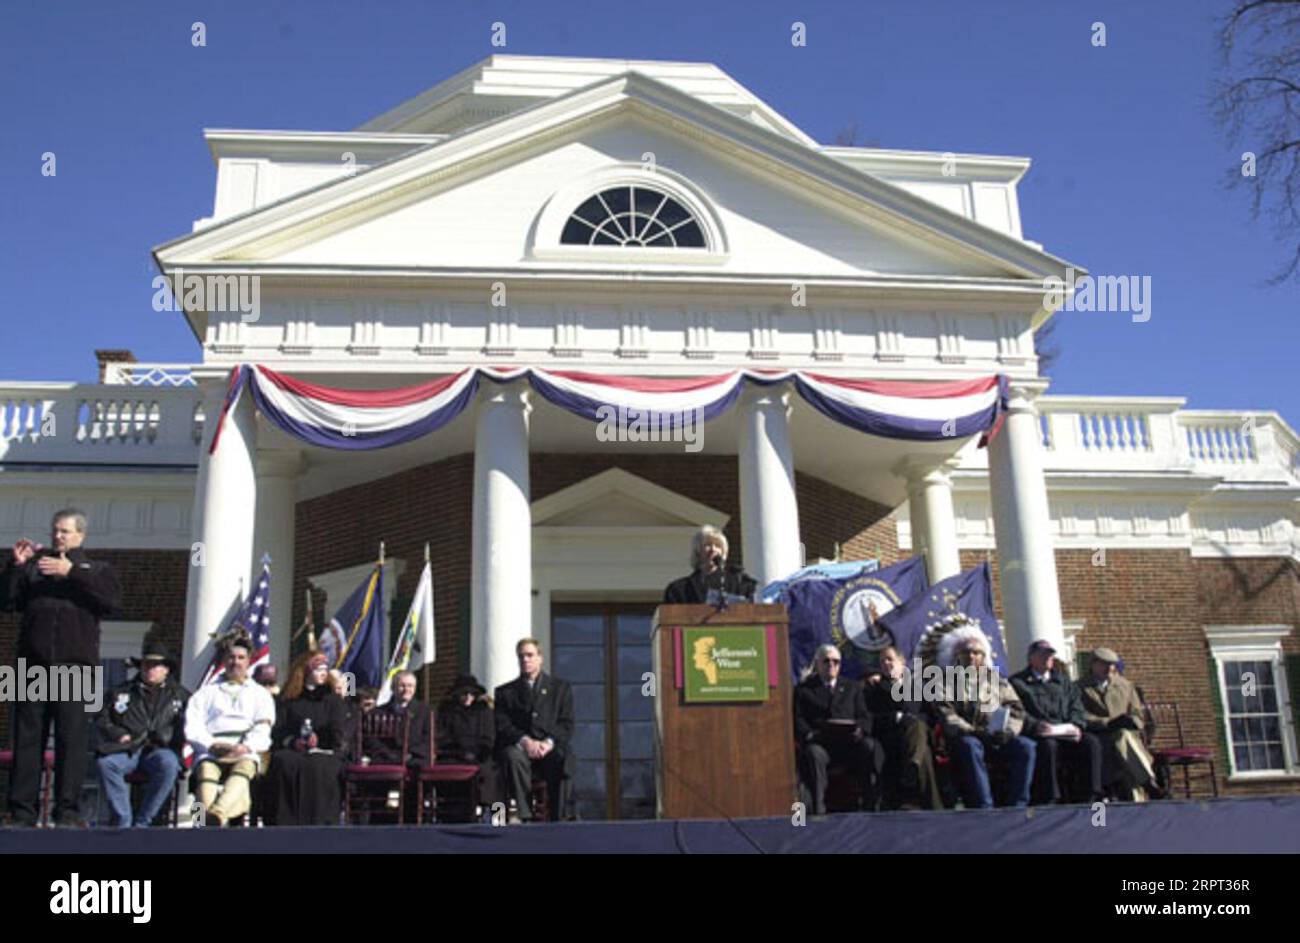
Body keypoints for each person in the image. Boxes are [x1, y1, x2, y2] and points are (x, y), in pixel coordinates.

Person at [2, 509, 121, 827]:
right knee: (26, 741)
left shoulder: (96, 570)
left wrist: (72, 572)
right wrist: (15, 566)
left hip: (76, 669)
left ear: (81, 535)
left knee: (72, 739)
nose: (59, 536)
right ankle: (21, 812)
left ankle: (67, 812)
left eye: (66, 531)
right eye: (56, 530)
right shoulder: (34, 569)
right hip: (31, 667)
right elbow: (8, 602)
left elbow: (110, 601)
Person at [935, 624, 1036, 809]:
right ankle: (984, 805)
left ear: (984, 656)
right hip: (968, 737)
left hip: (998, 736)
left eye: (977, 652)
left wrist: (1009, 732)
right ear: (957, 655)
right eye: (967, 652)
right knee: (970, 746)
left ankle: (1018, 804)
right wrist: (974, 732)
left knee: (1026, 747)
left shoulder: (997, 681)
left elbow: (1016, 710)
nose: (972, 656)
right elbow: (947, 713)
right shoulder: (945, 682)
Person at [94, 631, 189, 827]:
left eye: (156, 665)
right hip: (128, 749)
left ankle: (143, 822)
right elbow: (102, 719)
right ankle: (123, 819)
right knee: (107, 764)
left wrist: (173, 739)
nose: (150, 669)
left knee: (169, 764)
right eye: (146, 664)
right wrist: (119, 734)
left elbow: (191, 725)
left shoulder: (180, 696)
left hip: (160, 750)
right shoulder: (121, 692)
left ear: (166, 670)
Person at [184, 629, 276, 827]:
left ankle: (214, 816)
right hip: (211, 750)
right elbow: (193, 725)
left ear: (249, 661)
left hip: (244, 751)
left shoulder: (260, 694)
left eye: (241, 657)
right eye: (231, 657)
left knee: (245, 767)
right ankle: (203, 824)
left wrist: (245, 747)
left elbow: (263, 727)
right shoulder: (205, 693)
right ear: (224, 660)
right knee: (206, 771)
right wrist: (212, 745)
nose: (236, 662)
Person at [1010, 640, 1104, 804]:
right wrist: (1036, 725)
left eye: (1050, 655)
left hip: (1065, 731)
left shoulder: (1064, 682)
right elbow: (1018, 711)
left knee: (1091, 743)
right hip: (1041, 733)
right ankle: (1051, 797)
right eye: (1043, 654)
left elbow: (1077, 707)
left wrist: (1076, 725)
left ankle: (1092, 795)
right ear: (1031, 658)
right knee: (1048, 747)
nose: (1048, 658)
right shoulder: (1019, 683)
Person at [794, 644, 883, 814]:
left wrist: (860, 731)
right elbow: (799, 720)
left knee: (870, 747)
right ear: (818, 664)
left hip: (850, 744)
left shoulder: (852, 687)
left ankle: (870, 803)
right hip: (823, 744)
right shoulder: (804, 690)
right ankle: (818, 809)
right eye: (826, 661)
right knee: (814, 754)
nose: (831, 665)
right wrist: (811, 734)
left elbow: (864, 717)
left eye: (836, 661)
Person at [262, 652, 348, 826]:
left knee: (319, 766)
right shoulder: (288, 699)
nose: (323, 673)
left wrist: (319, 739)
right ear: (306, 672)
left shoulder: (332, 700)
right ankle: (284, 821)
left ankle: (319, 822)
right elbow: (278, 730)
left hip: (324, 750)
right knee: (284, 762)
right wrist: (293, 741)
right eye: (318, 670)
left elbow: (337, 730)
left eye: (325, 670)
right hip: (293, 749)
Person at [495, 638, 574, 822]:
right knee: (511, 756)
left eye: (530, 655)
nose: (525, 660)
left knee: (564, 757)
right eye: (521, 656)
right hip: (521, 749)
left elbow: (566, 724)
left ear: (540, 658)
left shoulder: (561, 689)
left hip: (549, 749)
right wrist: (525, 741)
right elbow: (502, 724)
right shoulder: (505, 692)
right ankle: (525, 814)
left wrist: (548, 743)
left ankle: (558, 814)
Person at [863, 646, 943, 810]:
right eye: (882, 661)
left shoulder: (919, 687)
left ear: (902, 662)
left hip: (917, 734)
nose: (886, 663)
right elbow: (869, 718)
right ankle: (935, 807)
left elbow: (929, 714)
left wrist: (910, 720)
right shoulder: (875, 689)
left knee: (917, 726)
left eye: (890, 659)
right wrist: (895, 718)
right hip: (892, 737)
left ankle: (914, 765)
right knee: (924, 755)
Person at [1078, 647, 1158, 802]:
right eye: (1104, 664)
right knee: (1123, 745)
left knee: (1124, 737)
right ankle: (1148, 782)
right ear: (1093, 665)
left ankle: (1138, 803)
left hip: (1129, 739)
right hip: (1101, 738)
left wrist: (1131, 721)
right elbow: (1080, 716)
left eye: (1112, 664)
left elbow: (1137, 714)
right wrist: (1108, 723)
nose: (1110, 668)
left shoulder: (1126, 686)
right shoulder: (1080, 687)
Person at [435, 674, 499, 812]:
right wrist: (461, 751)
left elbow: (489, 737)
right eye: (464, 693)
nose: (468, 697)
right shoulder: (447, 711)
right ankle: (453, 815)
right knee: (448, 775)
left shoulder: (484, 711)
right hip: (453, 754)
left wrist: (476, 752)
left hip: (481, 755)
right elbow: (441, 737)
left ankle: (495, 817)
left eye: (471, 693)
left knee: (493, 774)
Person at [662, 525, 757, 605]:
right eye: (707, 545)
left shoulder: (739, 584)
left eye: (718, 546)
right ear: (698, 551)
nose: (713, 549)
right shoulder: (678, 590)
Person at [365, 671, 431, 767]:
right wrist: (391, 755)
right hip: (385, 761)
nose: (406, 689)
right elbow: (372, 739)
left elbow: (428, 739)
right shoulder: (377, 713)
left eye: (410, 686)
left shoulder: (425, 712)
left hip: (415, 760)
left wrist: (409, 754)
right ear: (393, 688)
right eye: (402, 686)